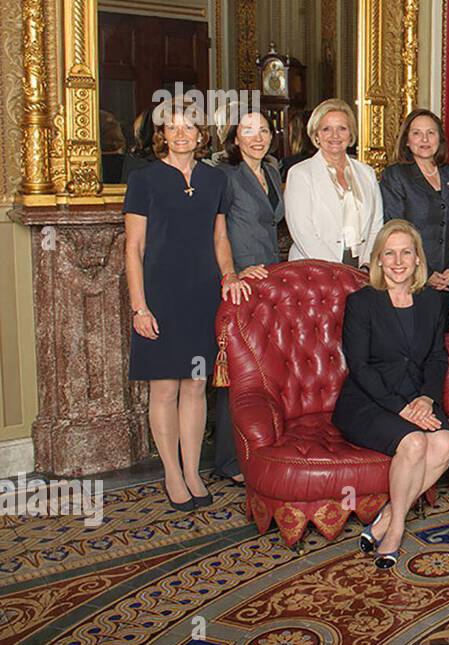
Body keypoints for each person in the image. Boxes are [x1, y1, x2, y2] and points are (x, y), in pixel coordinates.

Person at [123, 100, 252, 512]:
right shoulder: (144, 179)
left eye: (189, 128)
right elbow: (133, 247)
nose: (181, 134)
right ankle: (172, 473)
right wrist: (139, 307)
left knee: (197, 384)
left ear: (201, 135)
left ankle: (193, 469)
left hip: (202, 293)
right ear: (163, 135)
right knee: (164, 387)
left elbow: (219, 237)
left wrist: (229, 274)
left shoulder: (215, 180)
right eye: (173, 128)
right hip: (160, 295)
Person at [332, 220, 449, 569]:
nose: (398, 261)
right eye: (390, 253)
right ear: (378, 260)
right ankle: (397, 528)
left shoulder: (432, 300)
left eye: (406, 252)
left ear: (418, 259)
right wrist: (402, 409)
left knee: (445, 442)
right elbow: (360, 366)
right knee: (415, 443)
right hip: (368, 400)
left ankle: (387, 515)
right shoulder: (362, 302)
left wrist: (427, 399)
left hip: (417, 396)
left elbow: (436, 356)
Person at [211, 109, 281, 482]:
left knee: (261, 369)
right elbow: (217, 231)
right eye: (248, 131)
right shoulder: (226, 176)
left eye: (264, 130)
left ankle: (259, 451)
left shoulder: (271, 171)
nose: (258, 137)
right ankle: (229, 461)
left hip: (268, 284)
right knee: (236, 371)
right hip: (239, 286)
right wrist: (232, 273)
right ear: (235, 138)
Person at [379, 108, 449, 320]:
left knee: (444, 343)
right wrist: (426, 273)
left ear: (439, 139)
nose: (424, 139)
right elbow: (395, 229)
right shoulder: (396, 175)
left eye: (431, 133)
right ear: (407, 140)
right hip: (412, 279)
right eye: (417, 133)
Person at [283, 99, 384, 265]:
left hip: (360, 265)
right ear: (316, 134)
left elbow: (376, 225)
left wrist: (367, 264)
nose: (334, 136)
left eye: (342, 129)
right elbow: (303, 232)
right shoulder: (300, 174)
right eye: (326, 129)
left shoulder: (367, 173)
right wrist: (337, 271)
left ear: (350, 134)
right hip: (315, 268)